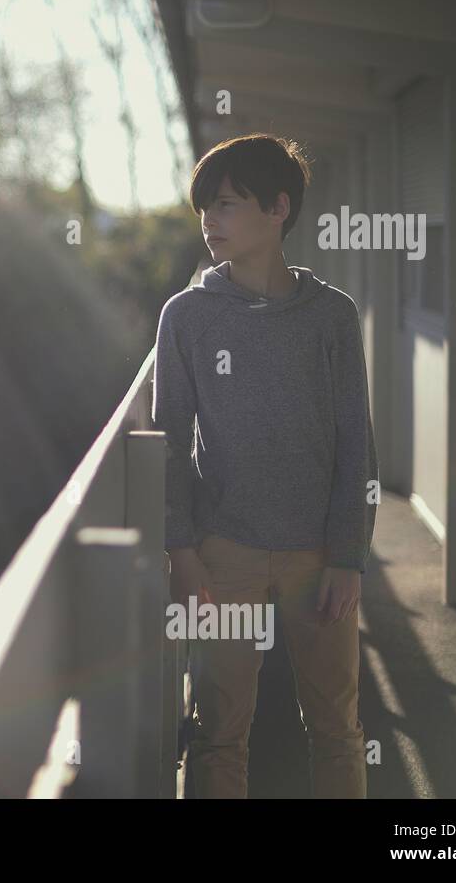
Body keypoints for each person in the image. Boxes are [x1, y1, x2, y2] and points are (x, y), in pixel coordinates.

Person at [151, 133, 378, 799]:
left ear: (279, 209)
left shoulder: (332, 316)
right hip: (223, 551)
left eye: (224, 204)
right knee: (220, 731)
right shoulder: (186, 316)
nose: (208, 220)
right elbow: (169, 439)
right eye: (204, 207)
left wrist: (349, 554)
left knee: (338, 727)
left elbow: (354, 445)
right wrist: (183, 549)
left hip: (319, 552)